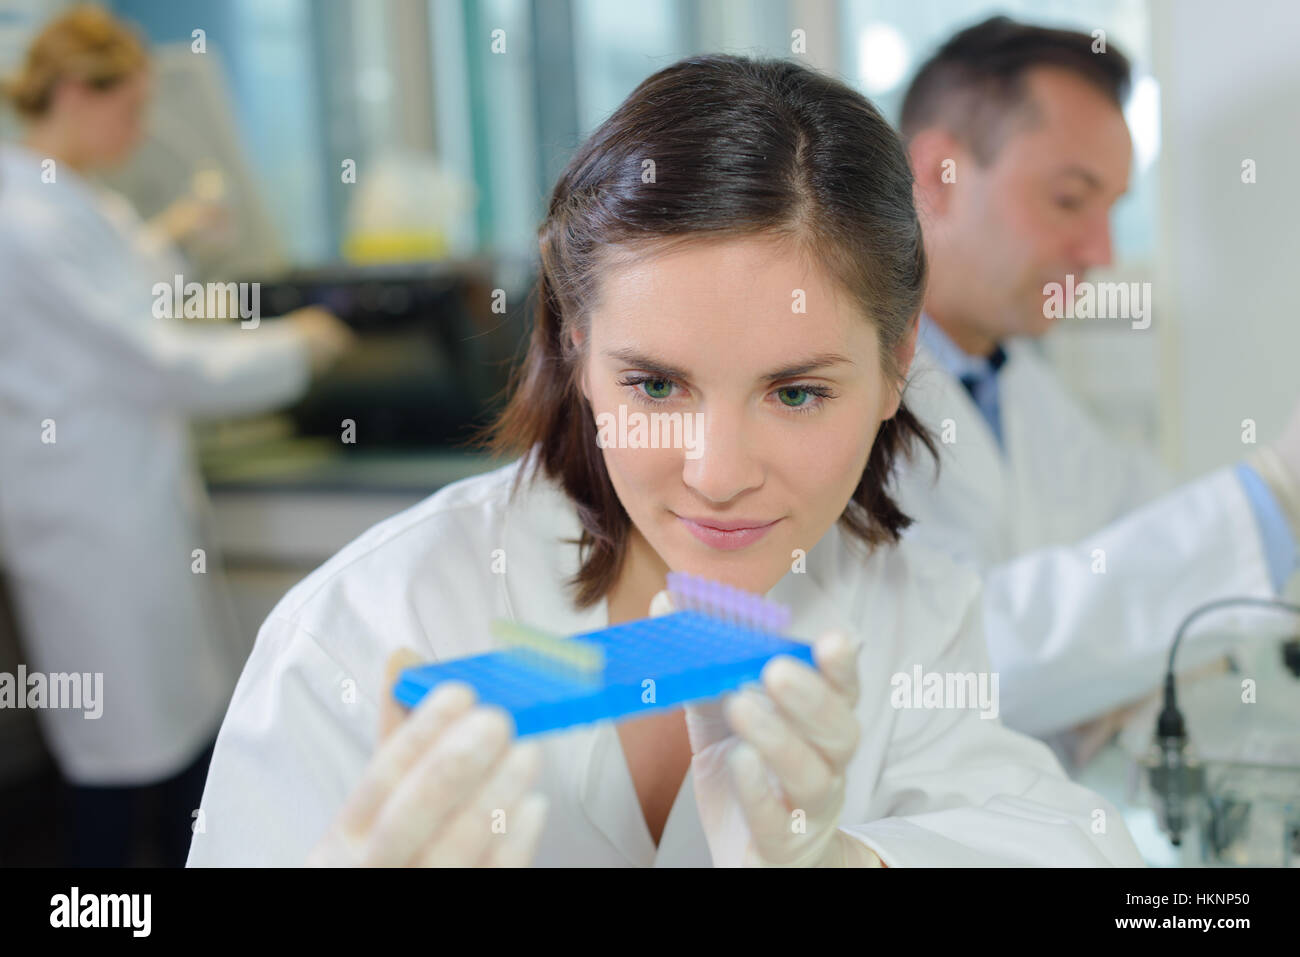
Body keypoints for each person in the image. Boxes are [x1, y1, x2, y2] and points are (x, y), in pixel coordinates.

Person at [187, 53, 1143, 867]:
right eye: (655, 387)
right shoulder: (368, 624)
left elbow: (1090, 856)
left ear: (897, 367)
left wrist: (851, 865)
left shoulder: (913, 614)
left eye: (796, 392)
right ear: (574, 349)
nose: (717, 472)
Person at [0, 4, 355, 865]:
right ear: (79, 92)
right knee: (119, 750)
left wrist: (175, 235)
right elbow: (153, 357)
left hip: (123, 497)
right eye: (130, 107)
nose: (141, 128)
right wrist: (298, 345)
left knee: (176, 730)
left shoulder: (65, 195)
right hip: (86, 516)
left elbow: (121, 293)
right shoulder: (27, 216)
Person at [892, 16, 1300, 754]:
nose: (1101, 252)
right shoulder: (832, 401)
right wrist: (1276, 489)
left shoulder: (1021, 392)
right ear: (937, 177)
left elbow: (1149, 523)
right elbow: (965, 655)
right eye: (1070, 199)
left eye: (1112, 209)